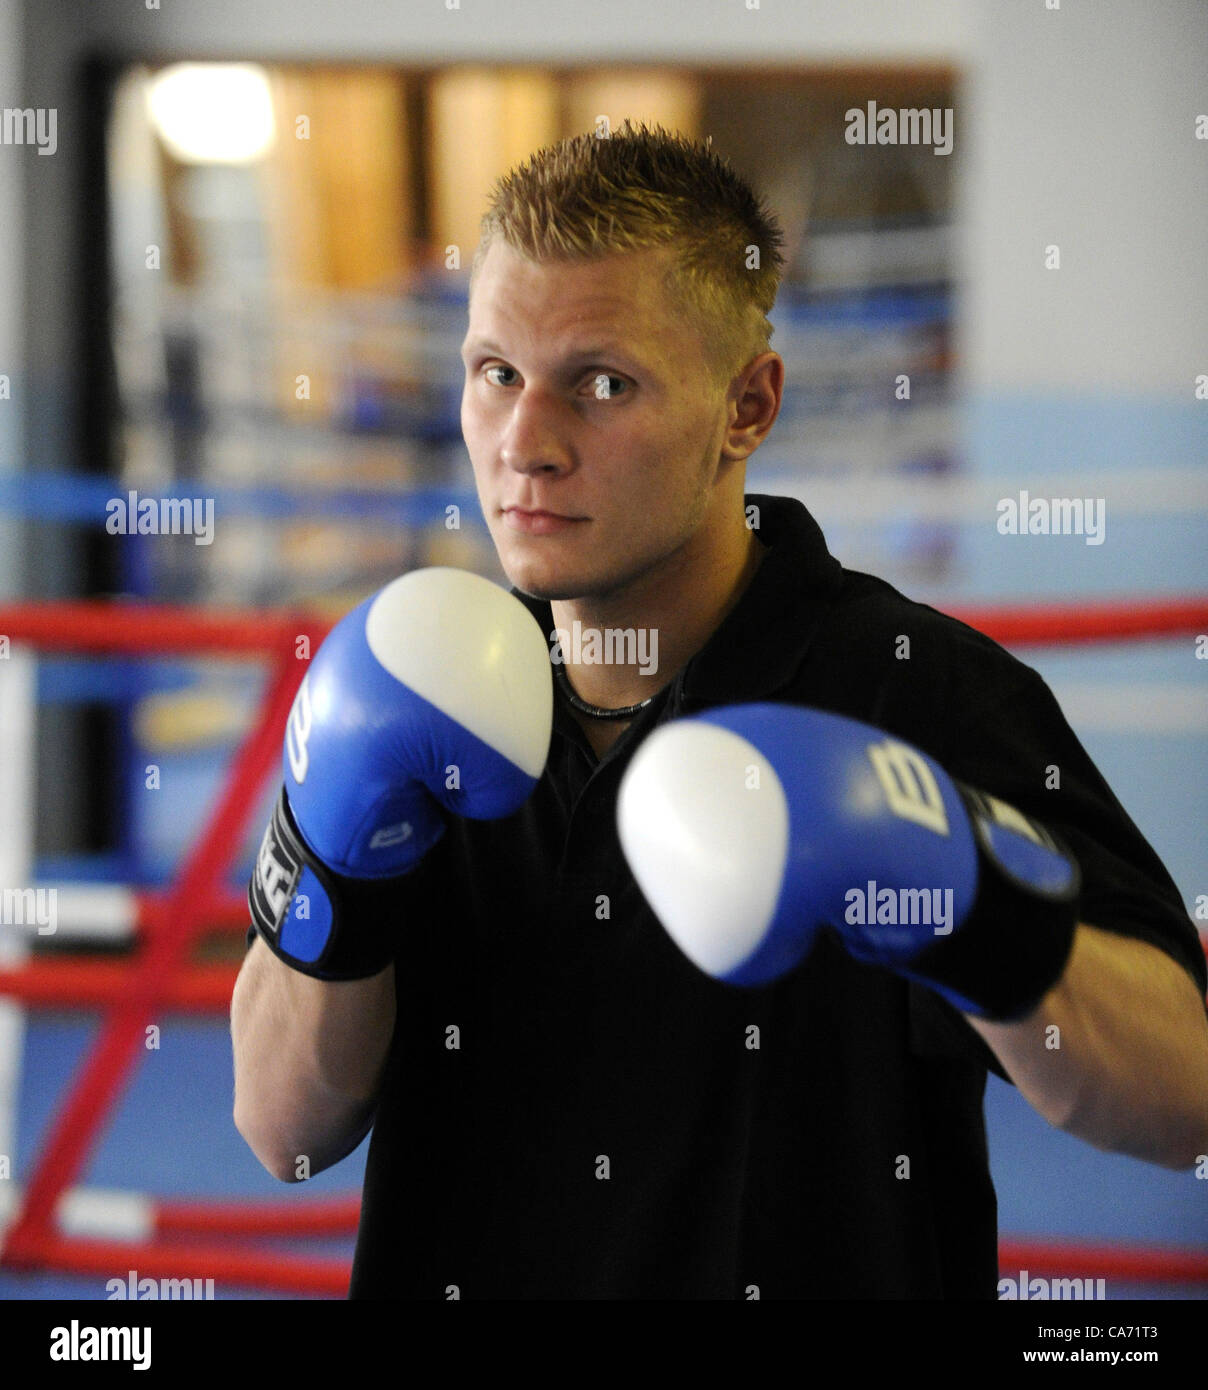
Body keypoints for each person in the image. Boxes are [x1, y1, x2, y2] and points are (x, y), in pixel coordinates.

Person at [231, 122, 1208, 1299]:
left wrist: (964, 895)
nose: (523, 446)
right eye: (495, 372)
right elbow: (281, 1129)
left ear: (746, 406)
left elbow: (1184, 1098)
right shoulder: (422, 689)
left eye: (601, 383)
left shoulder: (911, 688)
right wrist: (334, 846)